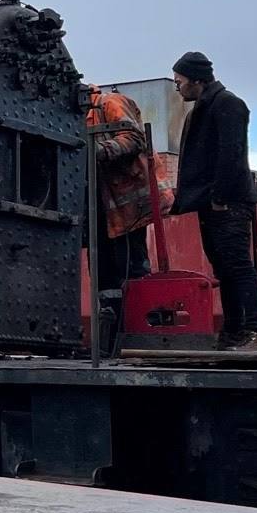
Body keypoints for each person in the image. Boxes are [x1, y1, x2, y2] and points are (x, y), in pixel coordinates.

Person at [166, 53, 257, 350]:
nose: (177, 88)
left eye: (180, 82)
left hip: (227, 203)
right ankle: (234, 333)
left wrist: (221, 198)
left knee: (237, 267)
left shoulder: (228, 104)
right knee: (224, 270)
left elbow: (231, 154)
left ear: (197, 79)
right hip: (211, 204)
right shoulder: (203, 108)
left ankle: (255, 333)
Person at [88, 86, 164, 336]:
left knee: (132, 269)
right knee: (103, 273)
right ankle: (112, 330)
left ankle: (141, 329)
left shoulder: (109, 103)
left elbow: (134, 138)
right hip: (99, 209)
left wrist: (96, 150)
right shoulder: (74, 114)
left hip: (126, 207)